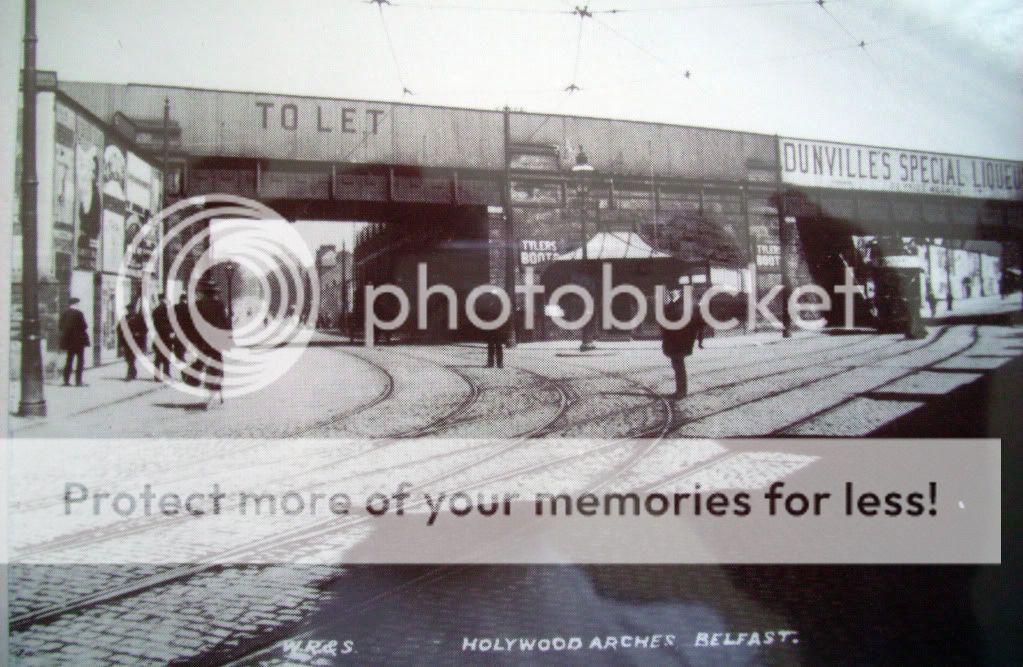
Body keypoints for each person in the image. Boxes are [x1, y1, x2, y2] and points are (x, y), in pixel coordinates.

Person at [180, 277, 232, 407]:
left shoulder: (196, 305)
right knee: (216, 365)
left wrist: (192, 339)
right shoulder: (219, 305)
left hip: (201, 341)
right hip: (216, 341)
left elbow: (189, 325)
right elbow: (225, 324)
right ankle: (215, 390)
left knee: (201, 362)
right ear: (214, 293)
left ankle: (192, 375)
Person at [661, 293, 704, 399]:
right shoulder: (675, 304)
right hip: (676, 340)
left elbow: (699, 323)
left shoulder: (686, 305)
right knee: (677, 365)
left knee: (678, 365)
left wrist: (699, 340)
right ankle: (680, 391)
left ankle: (681, 392)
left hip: (681, 340)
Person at [59, 297, 90, 386]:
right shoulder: (79, 313)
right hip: (79, 341)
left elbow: (60, 326)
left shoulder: (65, 313)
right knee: (80, 361)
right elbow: (84, 326)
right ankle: (78, 381)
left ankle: (66, 381)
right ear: (76, 304)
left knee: (69, 360)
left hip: (69, 341)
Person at [117, 302, 148, 381]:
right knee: (128, 358)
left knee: (131, 358)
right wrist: (120, 344)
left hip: (136, 342)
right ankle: (133, 371)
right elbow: (119, 330)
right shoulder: (124, 318)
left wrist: (139, 333)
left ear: (134, 310)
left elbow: (145, 330)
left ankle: (129, 374)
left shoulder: (139, 318)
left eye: (131, 309)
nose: (130, 311)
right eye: (128, 310)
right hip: (126, 342)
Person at [151, 295, 174, 381]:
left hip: (158, 336)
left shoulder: (156, 310)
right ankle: (166, 374)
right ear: (163, 299)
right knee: (166, 357)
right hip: (167, 337)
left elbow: (154, 324)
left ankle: (156, 376)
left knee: (158, 358)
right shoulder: (168, 310)